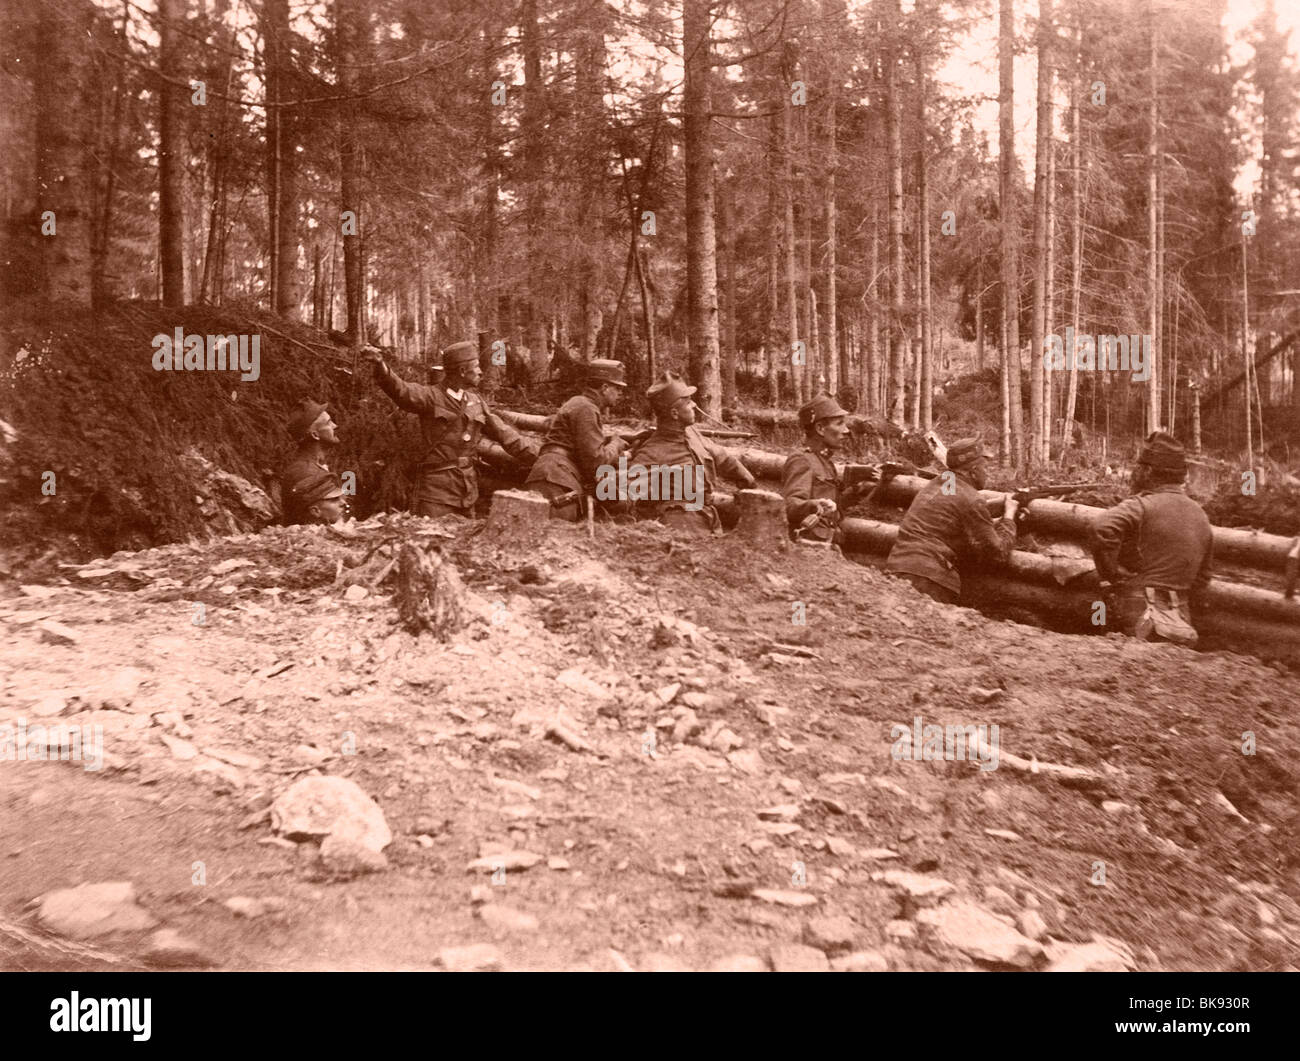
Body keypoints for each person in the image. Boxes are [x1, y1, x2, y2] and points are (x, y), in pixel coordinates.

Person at [368, 340, 538, 518]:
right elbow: (401, 390)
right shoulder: (431, 397)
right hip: (436, 493)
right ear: (463, 371)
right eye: (476, 366)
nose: (480, 372)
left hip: (468, 491)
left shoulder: (476, 402)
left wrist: (542, 457)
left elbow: (507, 436)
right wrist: (380, 364)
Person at [1090, 432, 1213, 643]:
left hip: (1139, 613)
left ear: (1147, 471)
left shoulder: (1140, 505)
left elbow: (1100, 528)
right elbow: (1203, 578)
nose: (1134, 473)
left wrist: (1112, 576)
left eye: (1138, 468)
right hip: (1181, 619)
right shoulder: (1201, 515)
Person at [884, 436, 1019, 603]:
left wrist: (990, 507)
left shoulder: (937, 484)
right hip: (930, 579)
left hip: (896, 568)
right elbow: (997, 554)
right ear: (974, 470)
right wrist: (1009, 517)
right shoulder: (971, 500)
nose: (987, 472)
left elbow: (955, 509)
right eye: (986, 467)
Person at [622, 371, 757, 536]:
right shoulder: (653, 452)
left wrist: (749, 484)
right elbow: (624, 490)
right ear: (674, 414)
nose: (693, 405)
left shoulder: (691, 432)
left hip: (709, 517)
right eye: (688, 402)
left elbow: (721, 457)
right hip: (680, 526)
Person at [525, 359, 631, 521]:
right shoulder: (586, 408)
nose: (620, 394)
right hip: (556, 479)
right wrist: (616, 444)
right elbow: (596, 462)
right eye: (617, 388)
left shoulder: (580, 404)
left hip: (554, 476)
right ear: (604, 388)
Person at [781, 393, 866, 543]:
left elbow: (833, 508)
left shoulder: (825, 462)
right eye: (839, 423)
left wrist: (858, 489)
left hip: (826, 543)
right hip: (807, 545)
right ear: (820, 428)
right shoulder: (802, 459)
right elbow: (790, 505)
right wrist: (814, 505)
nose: (846, 430)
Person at [281, 399, 348, 525]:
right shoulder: (306, 472)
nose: (335, 425)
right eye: (328, 423)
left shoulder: (313, 466)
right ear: (315, 435)